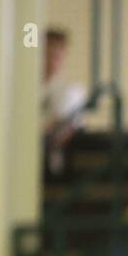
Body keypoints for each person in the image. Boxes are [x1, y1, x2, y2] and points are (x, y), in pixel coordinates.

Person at [42, 27, 88, 177]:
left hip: (54, 150)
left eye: (58, 52)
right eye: (49, 51)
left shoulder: (73, 91)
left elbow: (70, 127)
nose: (53, 57)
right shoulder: (24, 90)